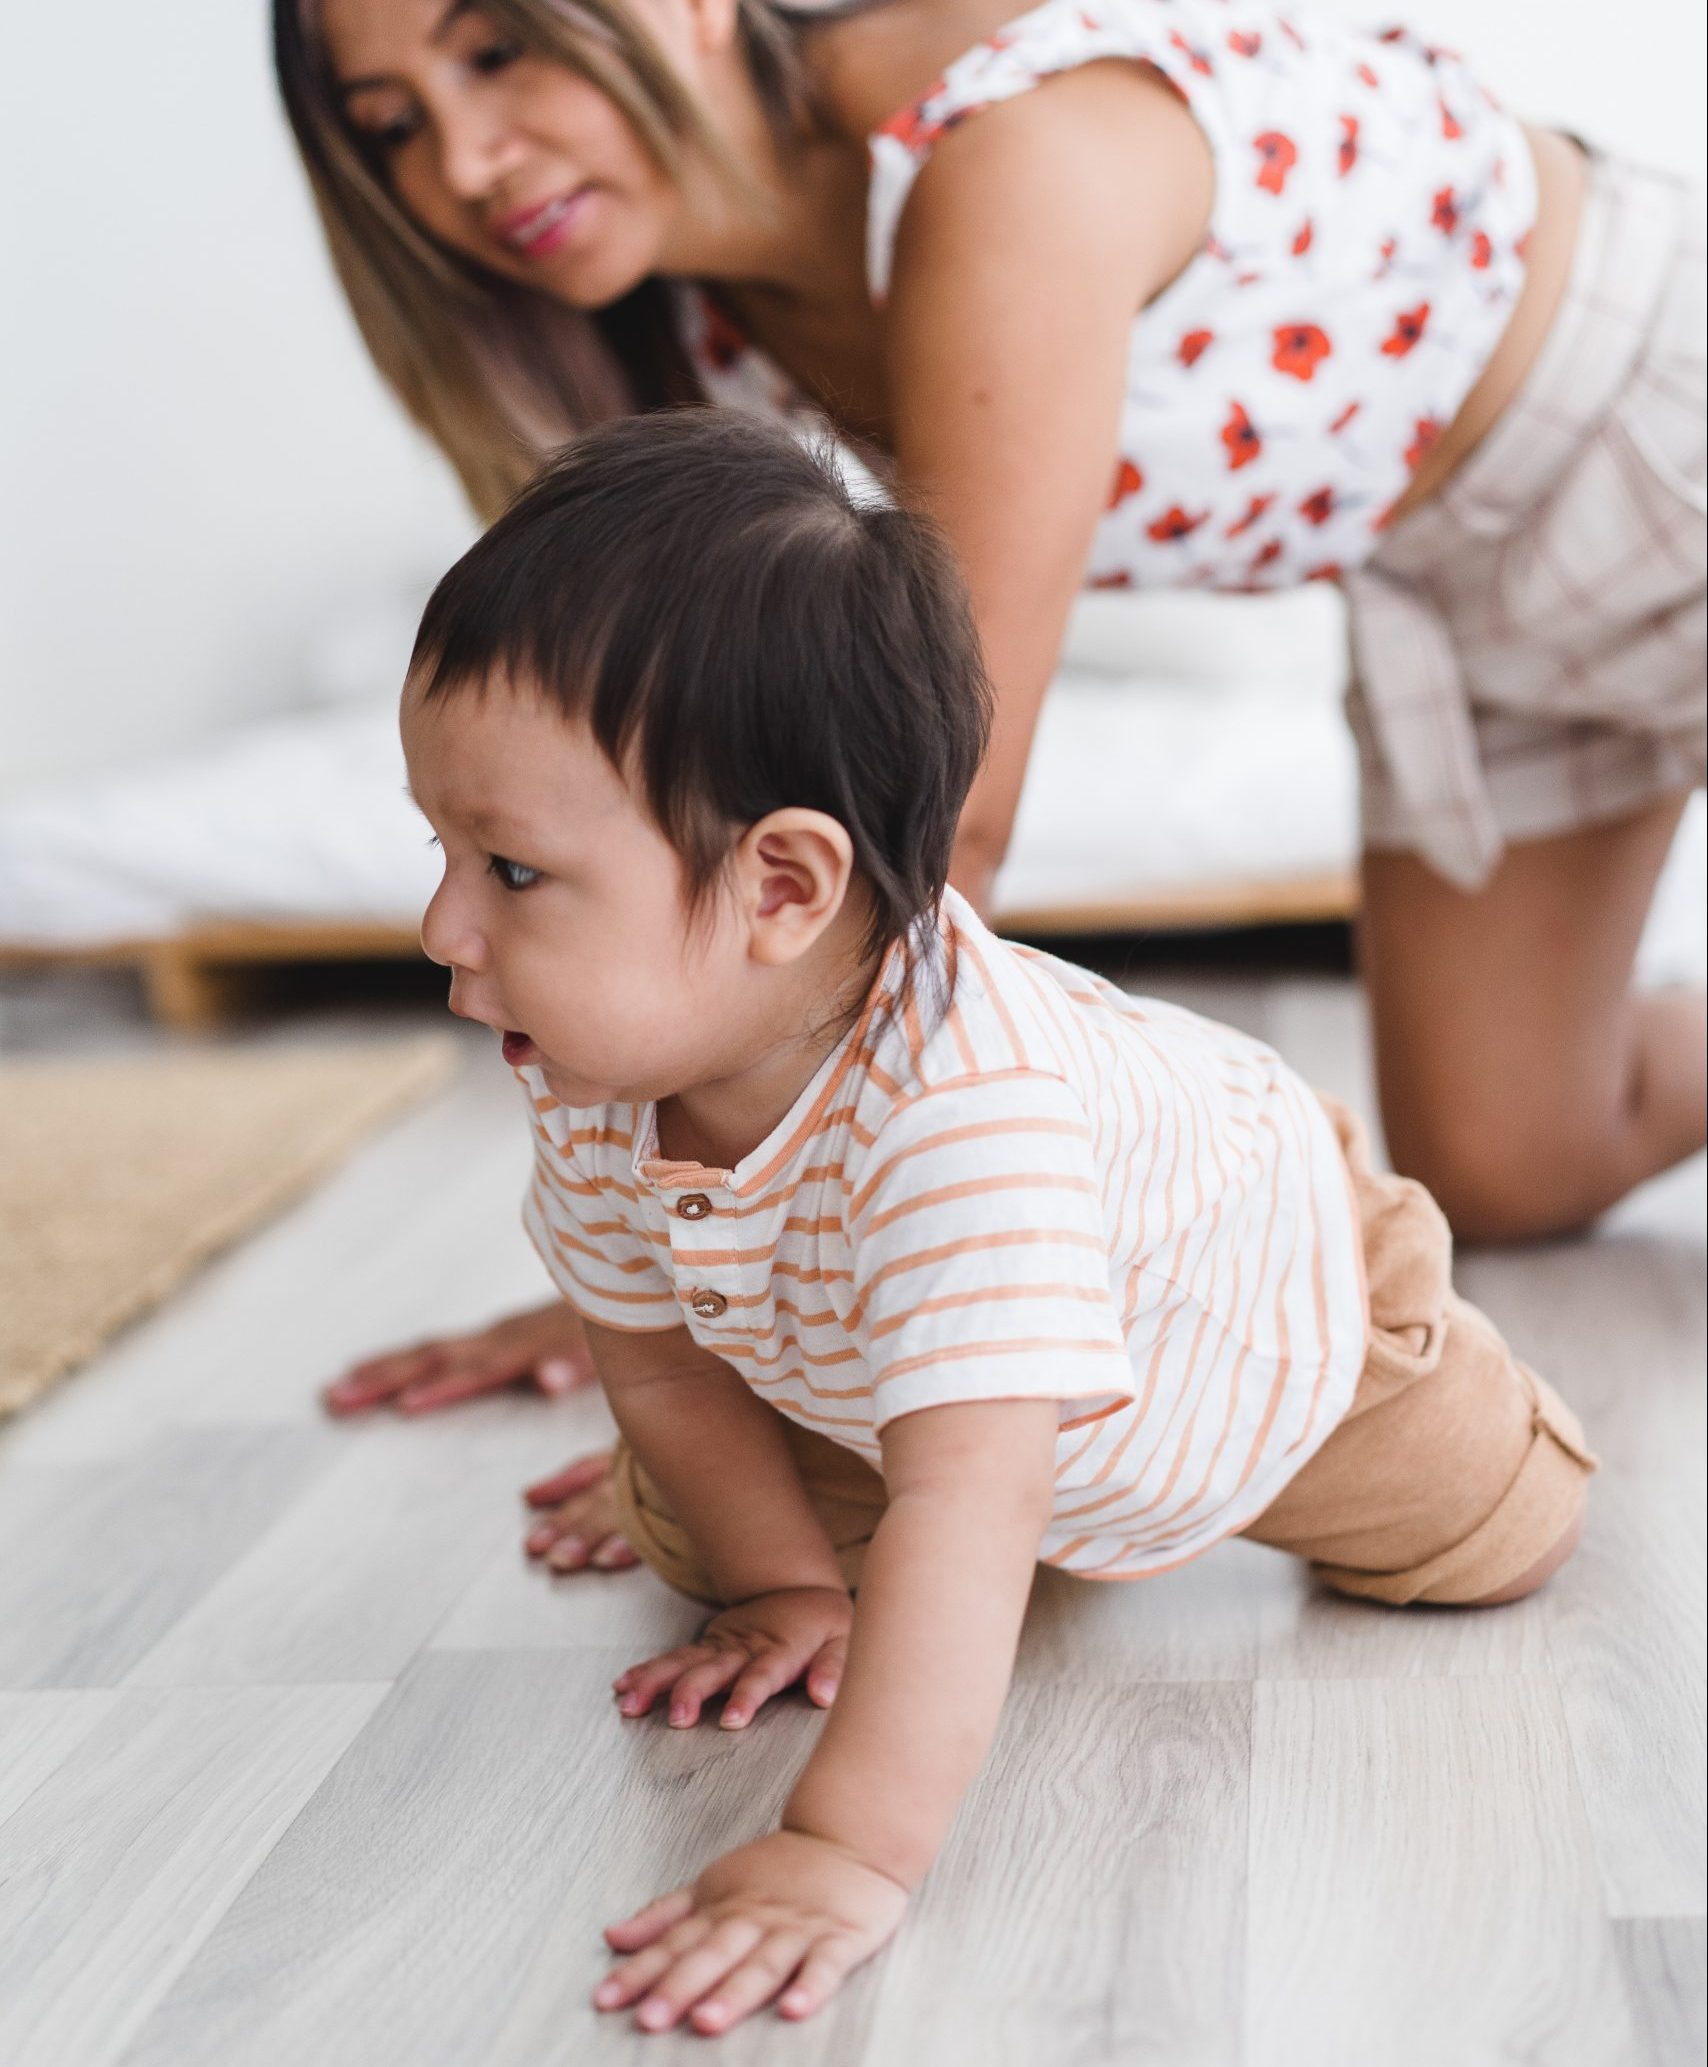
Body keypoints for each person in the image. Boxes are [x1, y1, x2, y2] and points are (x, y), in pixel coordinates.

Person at [286, 0, 1702, 1566]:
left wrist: (722, 1319)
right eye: (392, 125)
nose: (467, 163)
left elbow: (933, 815)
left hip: (1657, 417)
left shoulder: (1001, 159)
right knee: (1506, 1157)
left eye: (497, 52)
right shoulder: (691, 333)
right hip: (1446, 586)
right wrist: (653, 1303)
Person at [401, 409, 1594, 2033]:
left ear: (782, 888)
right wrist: (788, 1590)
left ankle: (1471, 1403)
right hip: (903, 1377)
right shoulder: (598, 1065)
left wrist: (843, 1846)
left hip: (1259, 1320)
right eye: (440, 850)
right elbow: (664, 1362)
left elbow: (970, 1502)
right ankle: (884, 1525)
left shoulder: (964, 1125)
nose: (441, 925)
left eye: (512, 871)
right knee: (709, 1543)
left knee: (1500, 1543)